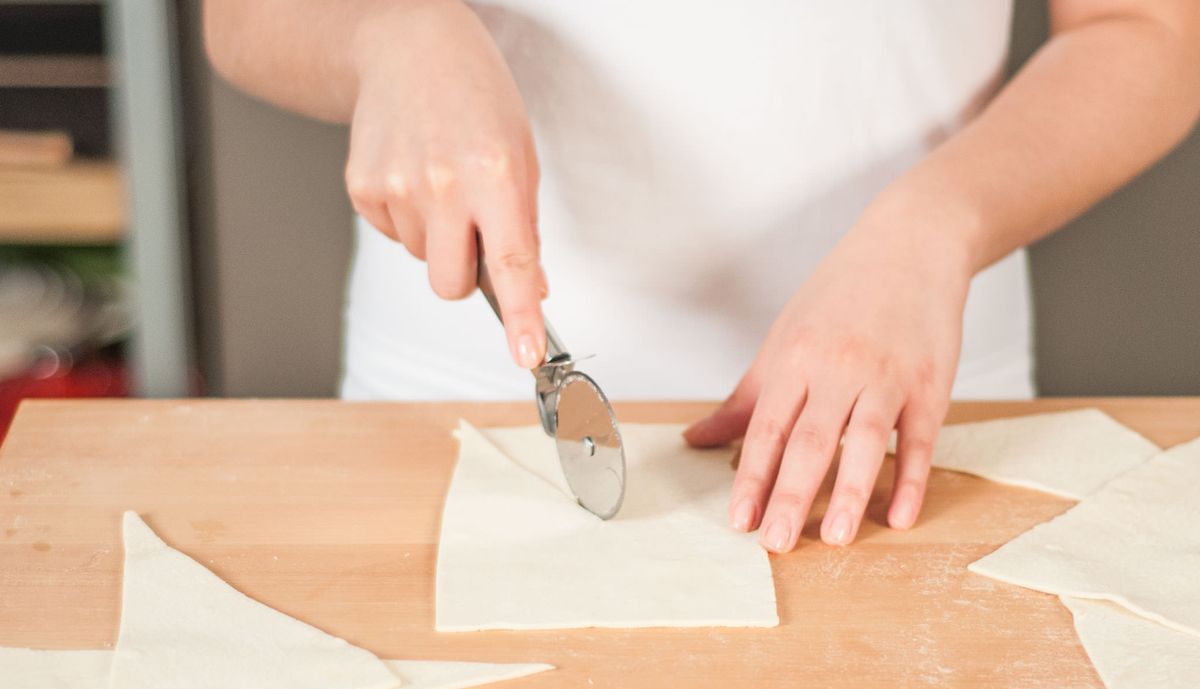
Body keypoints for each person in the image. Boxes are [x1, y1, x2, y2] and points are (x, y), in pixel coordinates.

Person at [204, 0, 1200, 553]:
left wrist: (931, 227)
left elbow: (1149, 28)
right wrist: (390, 34)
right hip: (456, 410)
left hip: (906, 426)